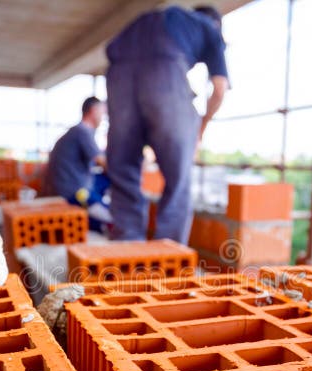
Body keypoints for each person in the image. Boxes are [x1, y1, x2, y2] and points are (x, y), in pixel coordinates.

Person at [105, 5, 229, 244]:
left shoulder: (163, 17)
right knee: (178, 179)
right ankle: (168, 259)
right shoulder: (210, 29)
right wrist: (199, 129)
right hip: (164, 71)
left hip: (118, 72)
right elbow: (219, 90)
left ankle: (126, 252)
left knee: (123, 168)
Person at [44, 96, 111, 231]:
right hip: (74, 192)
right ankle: (106, 214)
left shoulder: (76, 132)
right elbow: (103, 163)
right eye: (102, 112)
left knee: (106, 179)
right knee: (114, 217)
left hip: (68, 186)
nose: (103, 117)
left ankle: (98, 214)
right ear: (93, 111)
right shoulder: (83, 132)